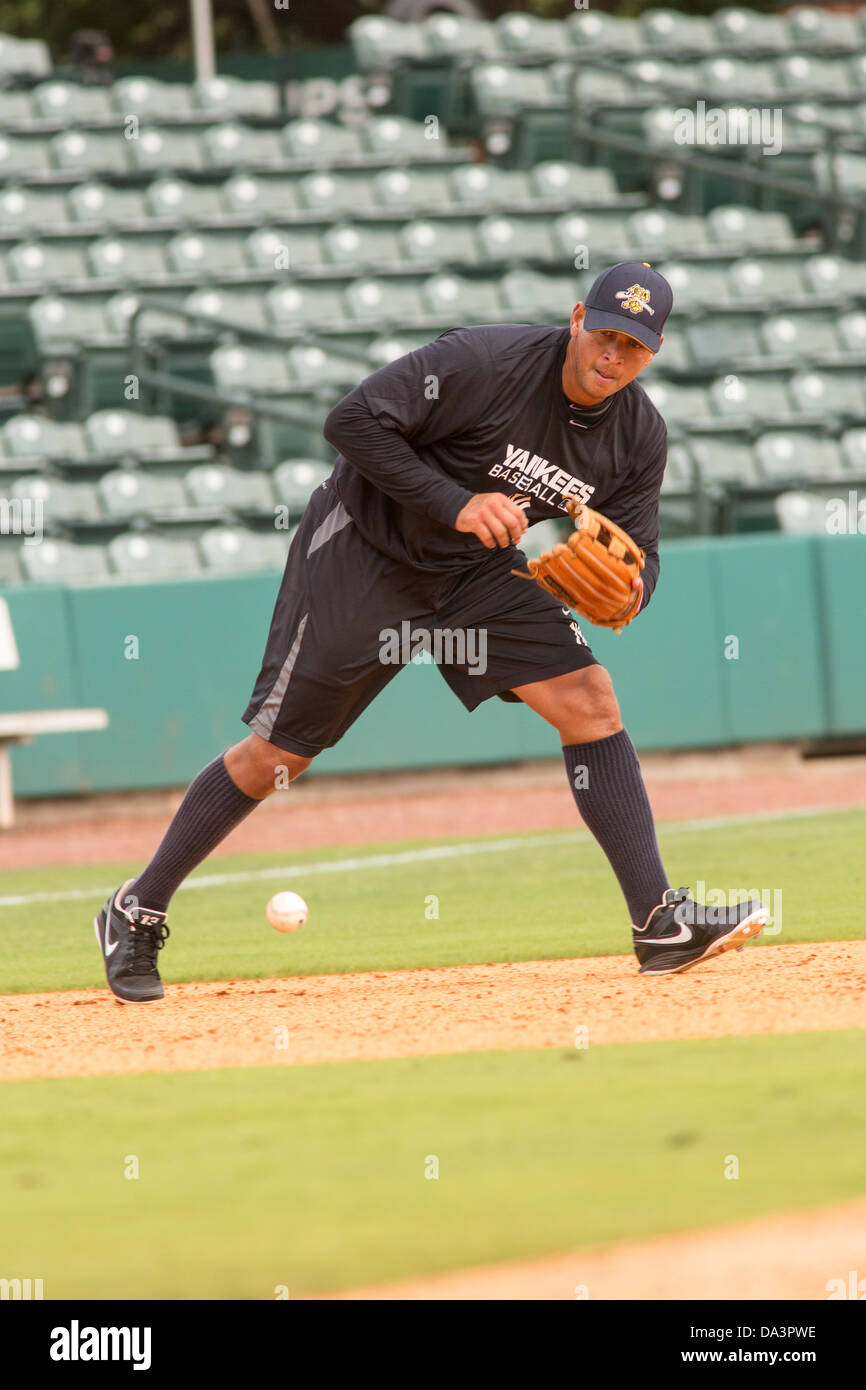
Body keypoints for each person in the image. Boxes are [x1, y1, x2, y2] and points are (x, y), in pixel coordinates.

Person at [94, 261, 766, 1003]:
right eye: (604, 333)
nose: (613, 355)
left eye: (633, 346)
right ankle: (138, 906)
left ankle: (659, 926)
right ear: (577, 317)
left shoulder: (638, 435)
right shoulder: (484, 361)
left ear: (656, 350)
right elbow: (349, 422)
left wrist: (635, 588)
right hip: (365, 553)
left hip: (476, 574)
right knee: (280, 754)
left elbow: (640, 549)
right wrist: (456, 503)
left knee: (590, 699)